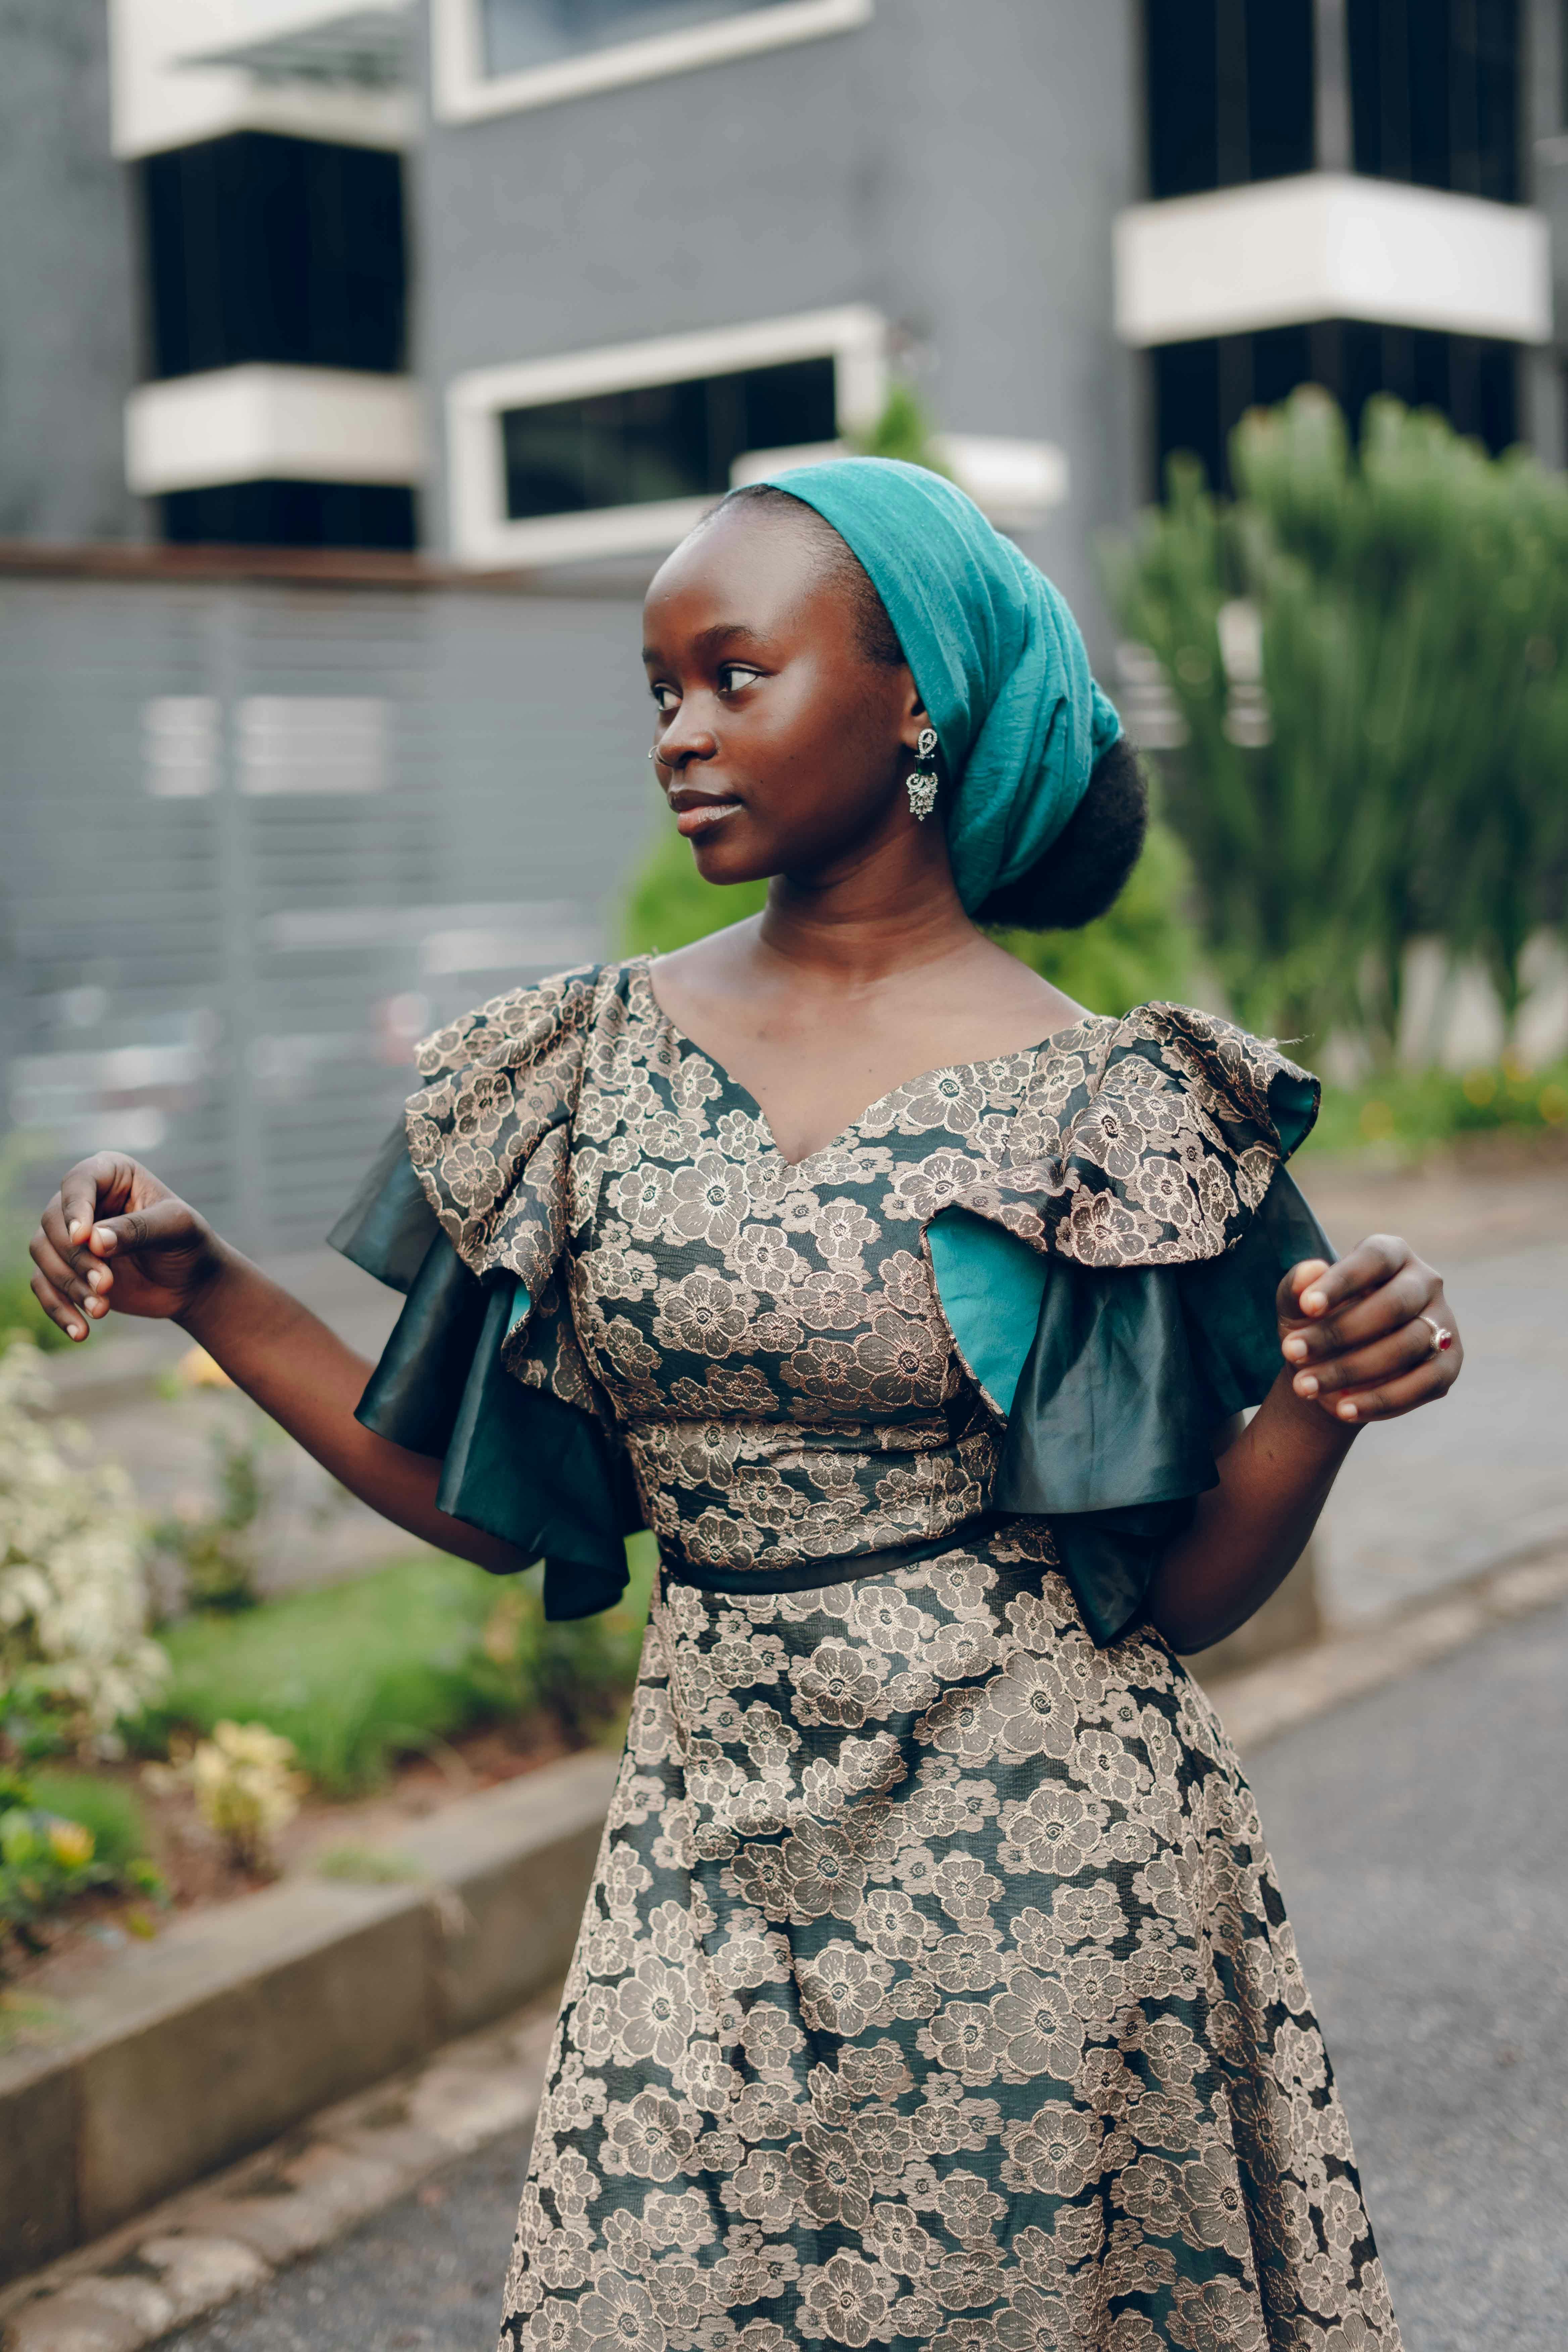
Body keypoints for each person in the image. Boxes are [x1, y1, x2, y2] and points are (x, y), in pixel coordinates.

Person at [31, 459, 1460, 2351]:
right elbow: (508, 1495)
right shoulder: (579, 1066)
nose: (681, 736)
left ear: (916, 704)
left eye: (735, 676)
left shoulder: (1117, 1106)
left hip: (1044, 1859)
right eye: (659, 690)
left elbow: (1179, 1597)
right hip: (705, 1853)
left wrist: (1320, 1406)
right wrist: (210, 1292)